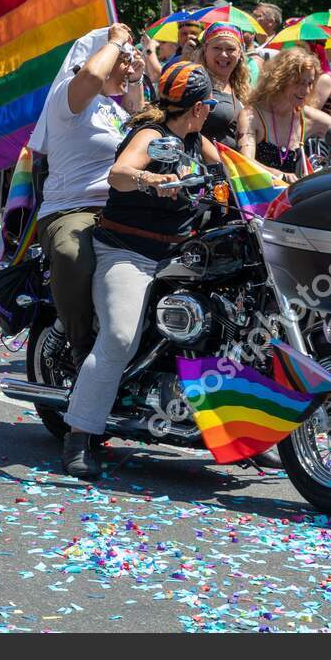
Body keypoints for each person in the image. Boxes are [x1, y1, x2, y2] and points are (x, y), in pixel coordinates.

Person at [61, 62, 218, 479]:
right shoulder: (153, 136)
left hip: (180, 258)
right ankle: (79, 435)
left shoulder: (197, 141)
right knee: (119, 337)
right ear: (199, 107)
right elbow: (119, 175)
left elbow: (236, 173)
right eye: (210, 104)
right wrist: (151, 179)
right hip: (129, 251)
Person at [30, 25, 145, 370]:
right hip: (72, 210)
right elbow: (92, 74)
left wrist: (136, 78)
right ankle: (79, 345)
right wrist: (114, 42)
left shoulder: (115, 111)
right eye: (122, 61)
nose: (128, 66)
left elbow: (144, 129)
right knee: (72, 252)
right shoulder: (69, 99)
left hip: (120, 210)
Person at [239, 48, 331, 180]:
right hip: (260, 196)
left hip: (294, 198)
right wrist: (279, 175)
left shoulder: (306, 115)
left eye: (310, 83)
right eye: (299, 82)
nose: (306, 90)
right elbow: (245, 162)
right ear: (280, 79)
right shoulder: (251, 115)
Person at [191, 22, 248, 146]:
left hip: (234, 163)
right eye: (217, 48)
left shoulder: (240, 87)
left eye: (231, 49)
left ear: (239, 53)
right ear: (205, 50)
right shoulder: (195, 83)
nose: (223, 54)